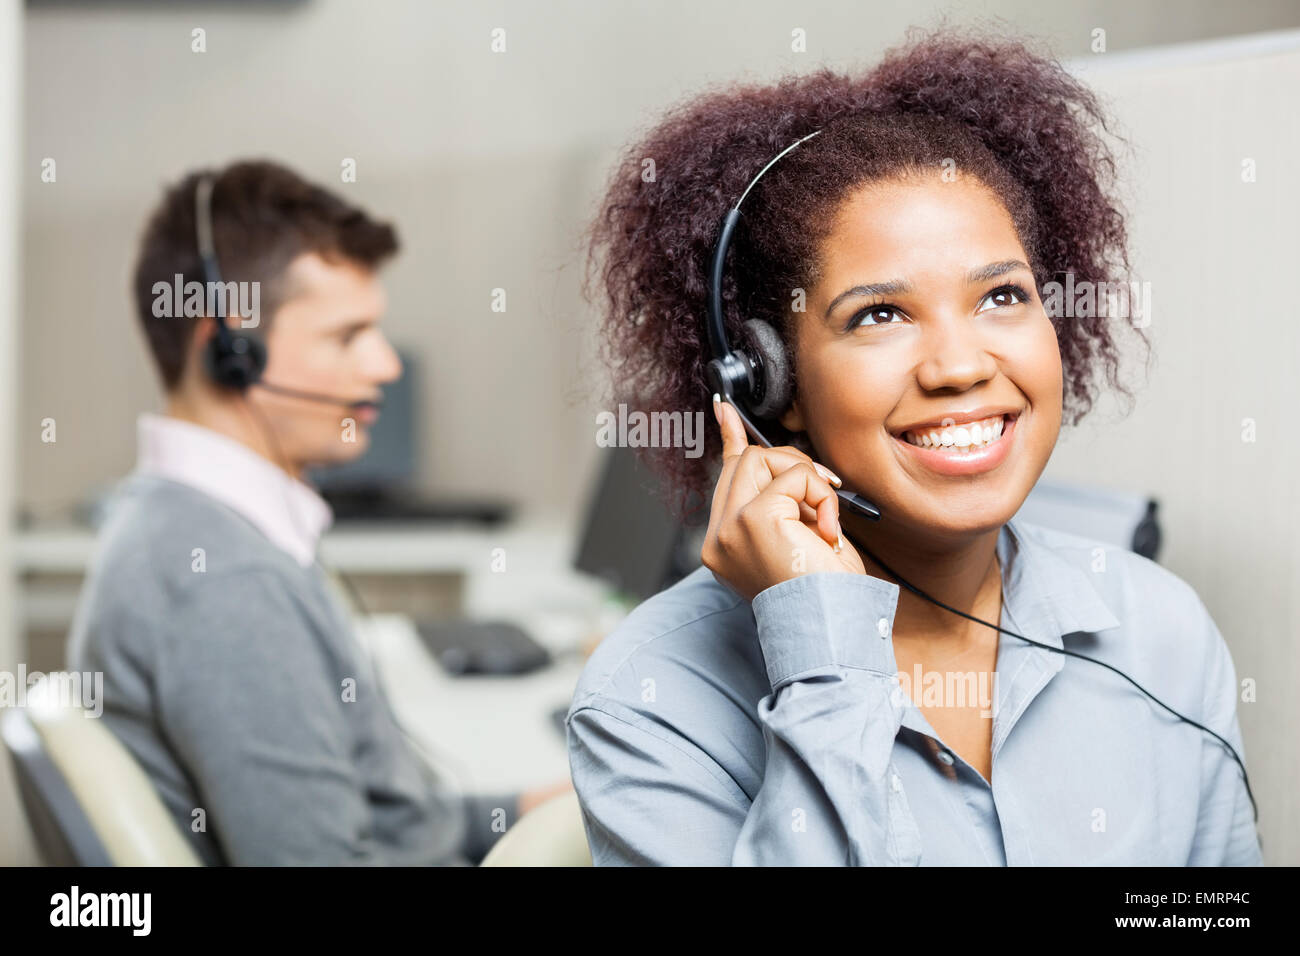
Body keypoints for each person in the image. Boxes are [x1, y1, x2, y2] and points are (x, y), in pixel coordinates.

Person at [566, 30, 1263, 866]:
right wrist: (821, 658)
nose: (962, 365)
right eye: (879, 315)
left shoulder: (1160, 633)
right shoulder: (651, 701)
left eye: (1001, 296)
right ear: (766, 384)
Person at [67, 160, 567, 866]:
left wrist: (533, 810)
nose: (385, 365)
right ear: (232, 352)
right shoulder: (222, 580)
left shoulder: (198, 529)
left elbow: (392, 826)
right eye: (347, 335)